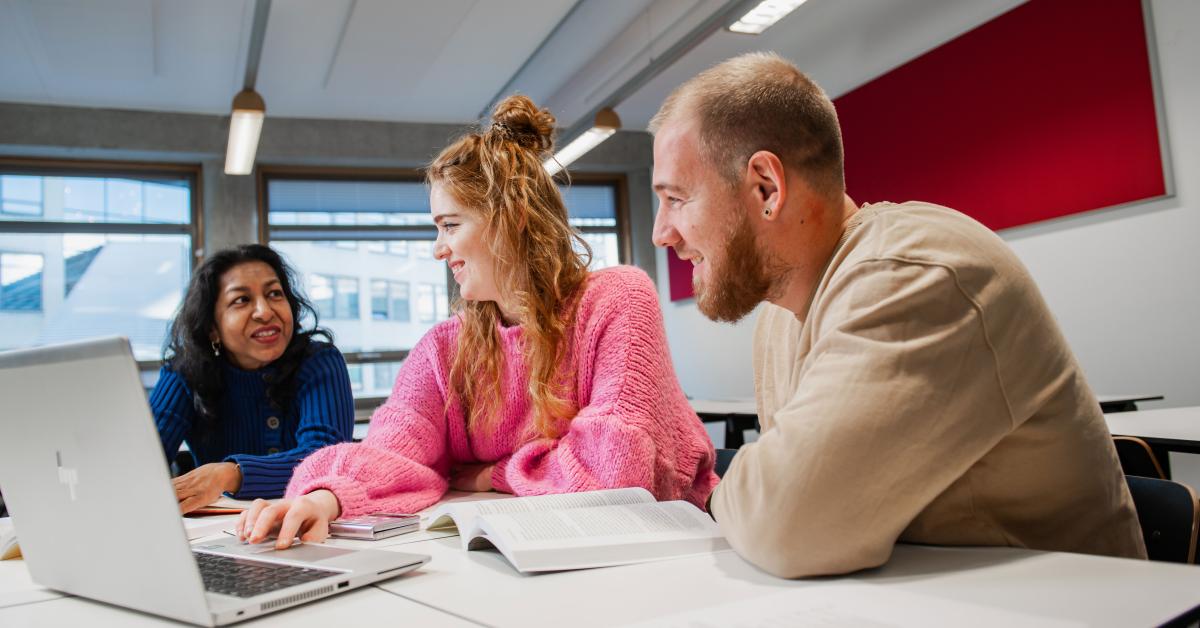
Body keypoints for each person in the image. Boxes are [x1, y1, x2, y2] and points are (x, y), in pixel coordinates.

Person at [648, 52, 1146, 577]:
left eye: (676, 198)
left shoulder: (915, 277)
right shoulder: (779, 314)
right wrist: (760, 483)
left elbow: (789, 526)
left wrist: (731, 485)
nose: (662, 233)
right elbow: (789, 510)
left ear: (766, 189)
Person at [238, 95, 719, 548]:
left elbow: (614, 471)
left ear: (513, 220)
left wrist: (495, 473)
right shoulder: (444, 348)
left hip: (665, 548)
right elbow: (393, 448)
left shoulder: (616, 299)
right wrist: (326, 498)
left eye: (450, 225)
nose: (438, 248)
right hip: (543, 549)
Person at [152, 244, 354, 513]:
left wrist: (230, 474)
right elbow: (142, 461)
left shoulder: (318, 361)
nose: (265, 311)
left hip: (306, 524)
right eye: (242, 300)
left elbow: (324, 457)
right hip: (221, 534)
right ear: (212, 328)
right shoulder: (184, 373)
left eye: (274, 294)